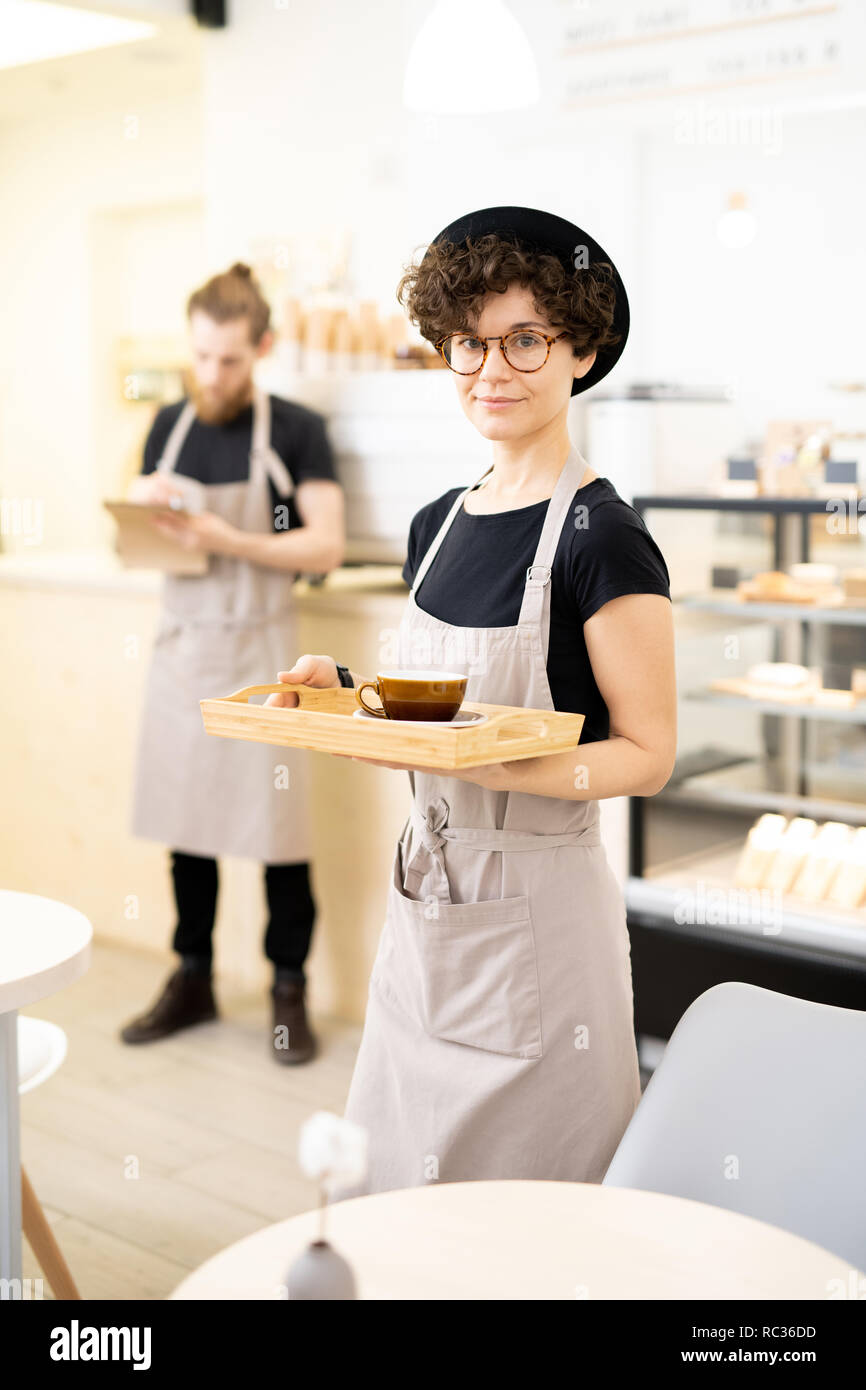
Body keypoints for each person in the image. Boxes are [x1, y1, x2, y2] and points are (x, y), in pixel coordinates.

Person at [267, 206, 676, 1191]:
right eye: (467, 343)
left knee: (530, 1221)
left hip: (538, 925)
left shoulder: (600, 535)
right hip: (426, 908)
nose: (491, 368)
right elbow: (450, 706)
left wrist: (509, 765)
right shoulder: (433, 525)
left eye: (524, 339)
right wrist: (353, 696)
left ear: (578, 350)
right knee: (396, 1189)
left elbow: (647, 750)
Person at [119, 262, 344, 1064]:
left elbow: (325, 542)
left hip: (262, 650)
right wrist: (145, 517)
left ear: (264, 348)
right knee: (188, 826)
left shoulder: (296, 430)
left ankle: (289, 991)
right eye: (202, 358)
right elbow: (144, 547)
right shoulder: (167, 424)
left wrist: (229, 540)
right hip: (184, 649)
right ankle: (193, 977)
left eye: (230, 360)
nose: (212, 375)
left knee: (278, 831)